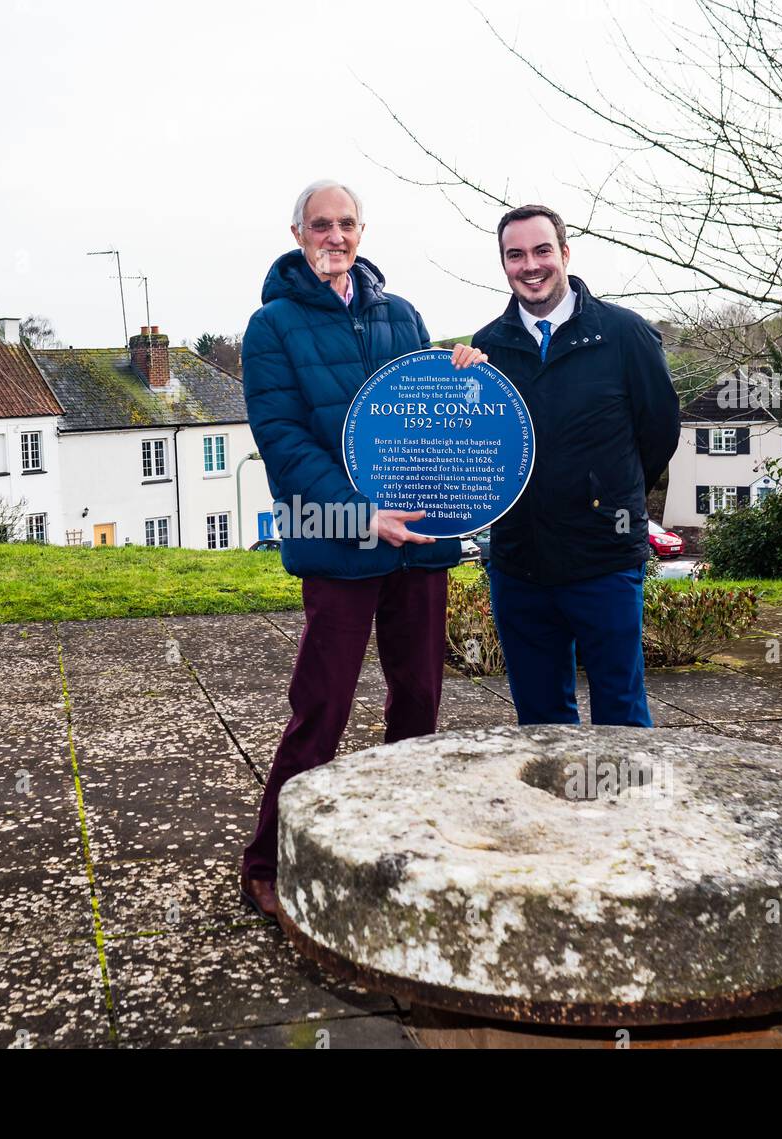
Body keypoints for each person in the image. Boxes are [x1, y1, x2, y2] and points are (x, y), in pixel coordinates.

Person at [238, 179, 485, 919]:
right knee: (322, 707)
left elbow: (432, 420)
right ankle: (267, 862)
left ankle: (402, 848)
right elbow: (284, 443)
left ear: (362, 231)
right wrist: (360, 515)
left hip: (421, 543)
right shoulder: (271, 326)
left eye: (346, 224)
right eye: (321, 225)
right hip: (339, 541)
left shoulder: (402, 315)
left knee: (420, 702)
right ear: (297, 233)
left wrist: (467, 374)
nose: (335, 236)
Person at [470, 205, 680, 727]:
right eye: (515, 255)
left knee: (623, 716)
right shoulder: (486, 349)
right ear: (503, 264)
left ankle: (630, 812)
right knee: (540, 723)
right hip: (519, 565)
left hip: (604, 561)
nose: (531, 265)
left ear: (565, 253)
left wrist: (609, 495)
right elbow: (472, 453)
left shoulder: (626, 335)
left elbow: (658, 434)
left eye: (542, 251)